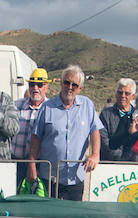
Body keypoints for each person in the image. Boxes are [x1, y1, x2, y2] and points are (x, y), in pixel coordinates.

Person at [29, 65, 103, 200]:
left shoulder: (87, 105)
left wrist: (95, 154)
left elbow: (95, 131)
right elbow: (36, 138)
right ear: (61, 83)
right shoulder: (47, 107)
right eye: (67, 82)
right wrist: (31, 165)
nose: (69, 87)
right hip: (50, 178)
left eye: (74, 85)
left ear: (80, 88)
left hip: (75, 179)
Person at [12, 67, 50, 186]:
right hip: (15, 163)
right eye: (32, 84)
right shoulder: (16, 105)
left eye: (39, 85)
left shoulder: (51, 109)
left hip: (38, 166)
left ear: (46, 87)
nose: (35, 88)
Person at [99, 78, 138, 161]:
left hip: (134, 166)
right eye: (120, 92)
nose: (123, 96)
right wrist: (122, 158)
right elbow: (104, 143)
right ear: (116, 94)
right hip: (112, 165)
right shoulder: (105, 115)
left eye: (127, 93)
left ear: (132, 96)